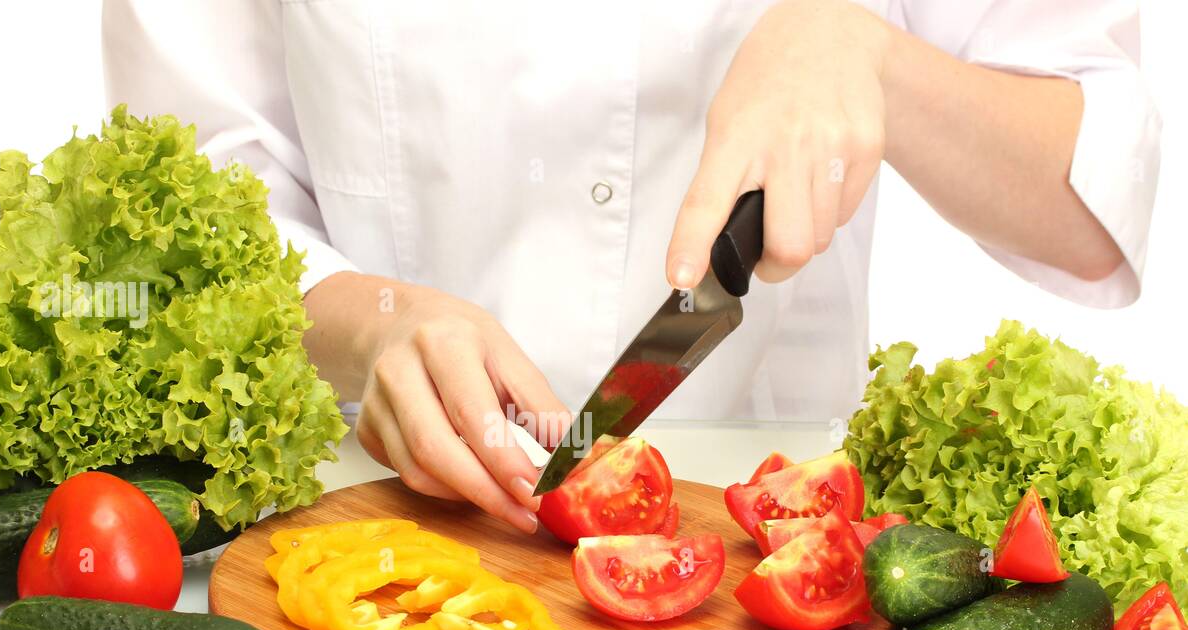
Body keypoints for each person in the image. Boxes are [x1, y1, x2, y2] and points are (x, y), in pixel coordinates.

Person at [103, 0, 1160, 532]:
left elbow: (1087, 203)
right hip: (366, 511)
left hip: (757, 546)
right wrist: (361, 322)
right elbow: (186, 192)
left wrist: (871, 55)